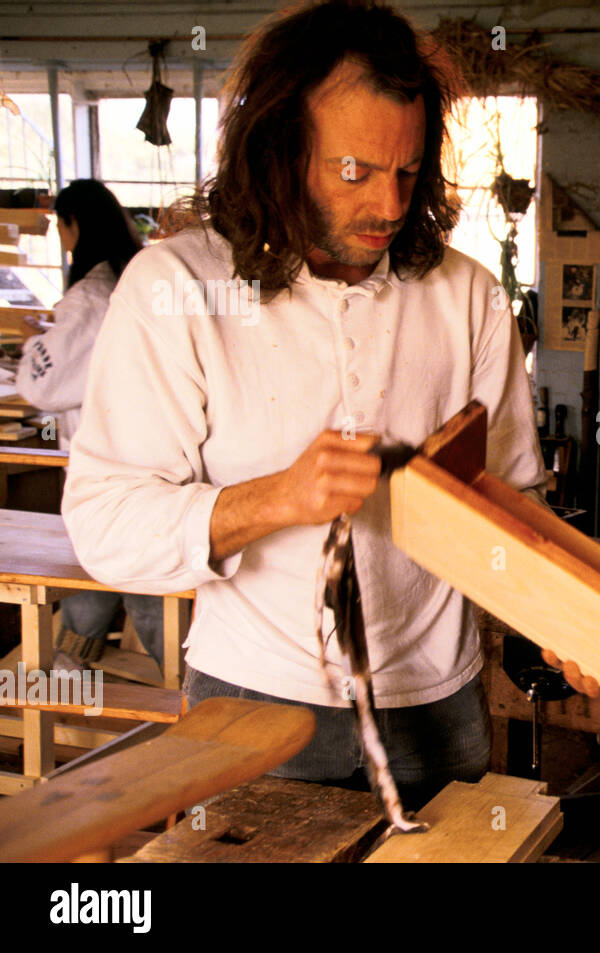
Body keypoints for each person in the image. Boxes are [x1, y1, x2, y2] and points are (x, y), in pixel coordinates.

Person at [62, 0, 546, 808]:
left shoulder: (468, 297)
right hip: (251, 704)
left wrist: (560, 622)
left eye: (406, 171)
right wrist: (275, 499)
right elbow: (104, 523)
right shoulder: (178, 288)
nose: (389, 206)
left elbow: (514, 503)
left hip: (440, 706)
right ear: (280, 150)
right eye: (355, 170)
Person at [15, 179, 165, 666]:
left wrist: (32, 342)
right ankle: (76, 677)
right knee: (113, 581)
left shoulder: (90, 295)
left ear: (74, 224)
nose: (59, 235)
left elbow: (43, 385)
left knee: (130, 590)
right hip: (155, 464)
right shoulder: (133, 279)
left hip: (109, 470)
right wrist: (49, 335)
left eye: (60, 224)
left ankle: (194, 709)